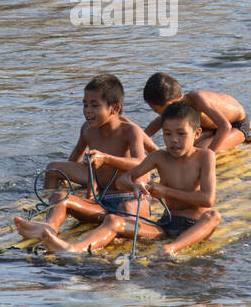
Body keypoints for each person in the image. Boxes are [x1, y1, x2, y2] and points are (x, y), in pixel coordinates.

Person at [29, 101, 220, 257]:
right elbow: (124, 180)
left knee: (213, 216)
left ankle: (171, 248)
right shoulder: (159, 157)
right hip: (165, 225)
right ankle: (75, 248)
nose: (173, 140)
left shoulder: (205, 156)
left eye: (181, 134)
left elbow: (207, 199)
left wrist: (166, 191)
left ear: (196, 134)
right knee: (113, 220)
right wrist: (134, 186)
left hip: (194, 225)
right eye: (167, 134)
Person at [12, 73, 148, 239]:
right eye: (85, 105)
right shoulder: (87, 129)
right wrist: (65, 179)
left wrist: (106, 158)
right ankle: (49, 225)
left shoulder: (130, 131)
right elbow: (77, 153)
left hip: (126, 198)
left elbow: (141, 164)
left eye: (94, 105)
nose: (88, 111)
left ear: (115, 108)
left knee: (125, 212)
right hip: (100, 202)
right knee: (59, 193)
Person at [141, 72, 249, 153]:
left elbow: (225, 126)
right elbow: (158, 123)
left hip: (236, 125)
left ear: (169, 104)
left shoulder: (196, 99)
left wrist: (208, 155)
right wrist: (140, 138)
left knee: (199, 150)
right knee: (182, 146)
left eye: (155, 110)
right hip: (211, 128)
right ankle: (208, 136)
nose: (157, 114)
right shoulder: (177, 106)